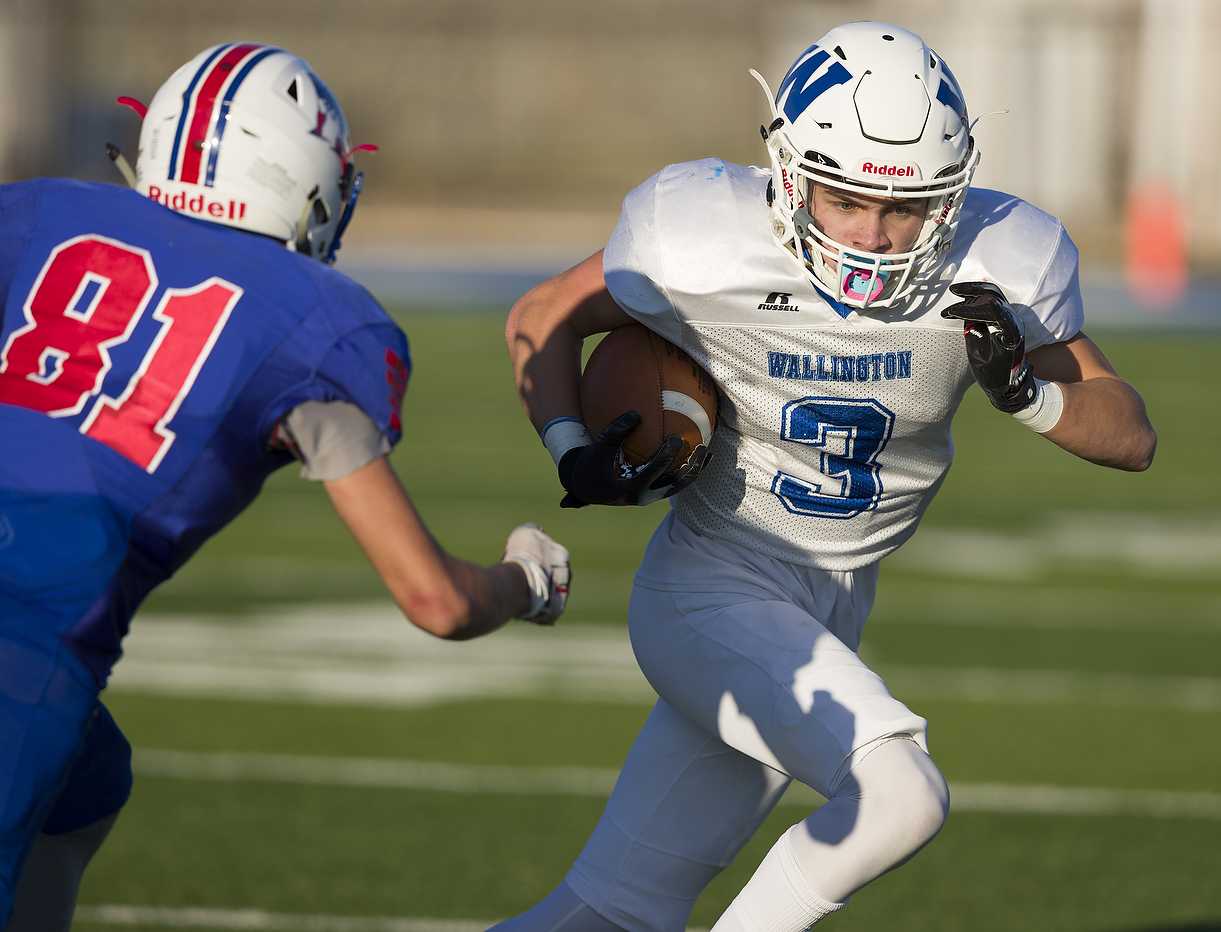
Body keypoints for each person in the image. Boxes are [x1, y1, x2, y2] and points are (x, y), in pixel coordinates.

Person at [499, 21, 1154, 932]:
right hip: (711, 584)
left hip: (829, 604)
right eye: (846, 200)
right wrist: (572, 448)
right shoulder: (702, 242)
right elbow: (545, 313)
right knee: (900, 798)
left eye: (905, 209)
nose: (874, 239)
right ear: (790, 171)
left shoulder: (996, 264)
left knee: (612, 912)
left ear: (950, 195)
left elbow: (1131, 433)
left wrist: (1026, 393)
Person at [0, 43, 570, 932]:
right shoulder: (315, 319)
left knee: (88, 784)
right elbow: (435, 599)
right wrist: (526, 580)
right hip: (25, 651)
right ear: (308, 184)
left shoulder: (33, 212)